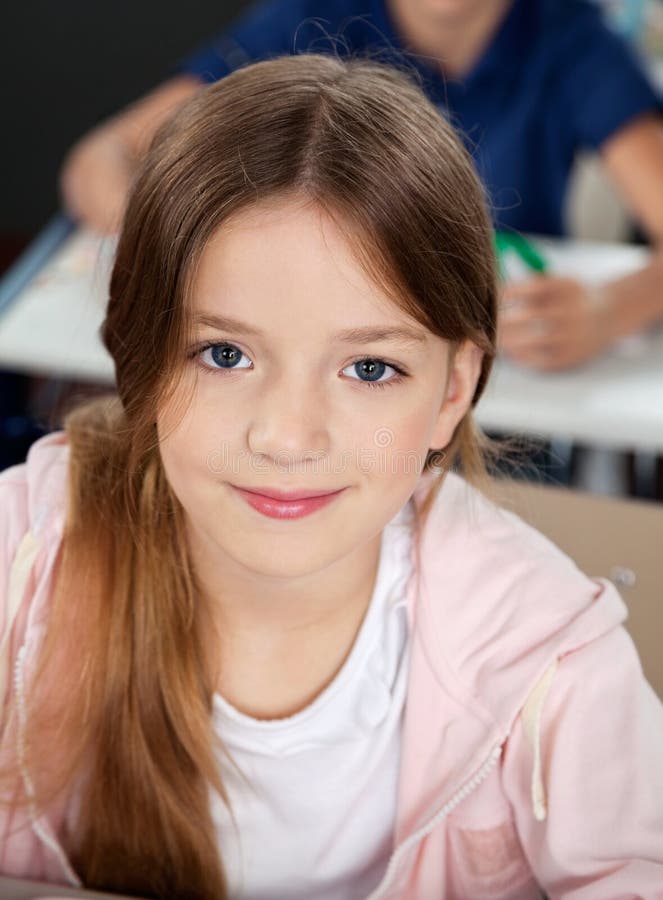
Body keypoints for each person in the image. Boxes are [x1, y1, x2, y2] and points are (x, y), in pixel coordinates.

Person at [3, 54, 662, 899]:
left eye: (370, 369)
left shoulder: (545, 655)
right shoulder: (26, 561)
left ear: (451, 392)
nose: (287, 437)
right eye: (225, 354)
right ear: (140, 361)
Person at [59, 0, 663, 372]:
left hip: (501, 369)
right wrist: (181, 253)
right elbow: (99, 160)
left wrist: (610, 311)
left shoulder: (573, 40)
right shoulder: (308, 15)